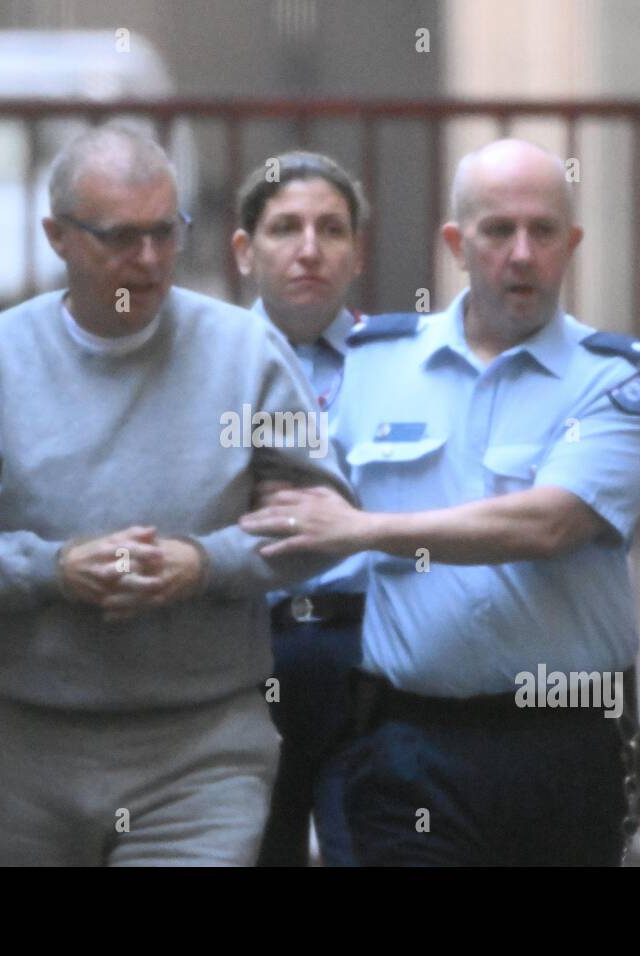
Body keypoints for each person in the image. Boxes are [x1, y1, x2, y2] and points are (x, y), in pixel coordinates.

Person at [0, 125, 353, 866]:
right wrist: (55, 570)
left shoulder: (245, 355)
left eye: (165, 234)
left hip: (203, 747)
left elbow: (315, 520)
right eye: (119, 237)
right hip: (33, 748)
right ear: (58, 237)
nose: (147, 261)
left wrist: (204, 564)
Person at [241, 138, 640, 865]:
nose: (522, 253)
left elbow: (552, 522)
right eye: (498, 230)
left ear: (574, 243)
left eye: (543, 231)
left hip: (566, 743)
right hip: (409, 747)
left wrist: (364, 529)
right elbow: (273, 490)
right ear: (456, 243)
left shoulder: (617, 377)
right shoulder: (374, 364)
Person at [231, 151, 369, 866]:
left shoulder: (404, 363)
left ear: (357, 252)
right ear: (245, 251)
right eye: (285, 228)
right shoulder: (204, 363)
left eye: (331, 229)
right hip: (242, 657)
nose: (309, 249)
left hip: (369, 666)